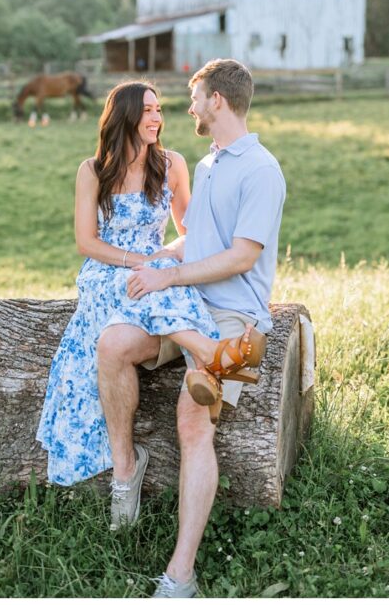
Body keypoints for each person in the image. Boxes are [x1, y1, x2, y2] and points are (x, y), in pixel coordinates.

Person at [96, 59, 285, 598]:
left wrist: (172, 274)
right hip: (189, 304)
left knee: (192, 420)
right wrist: (155, 262)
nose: (189, 107)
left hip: (232, 312)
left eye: (195, 97)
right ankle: (124, 473)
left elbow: (243, 257)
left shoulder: (261, 170)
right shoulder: (207, 165)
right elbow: (194, 238)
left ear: (218, 101)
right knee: (112, 344)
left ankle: (181, 576)